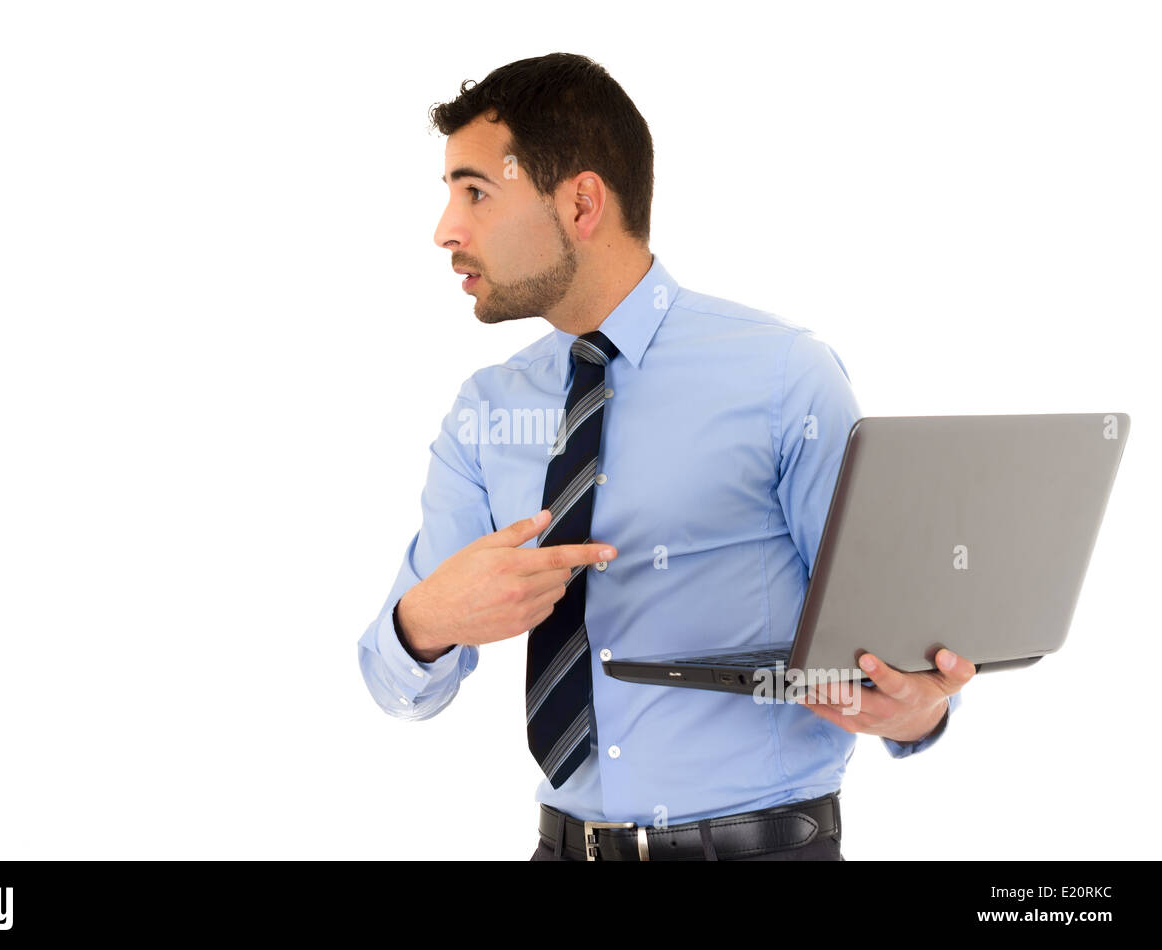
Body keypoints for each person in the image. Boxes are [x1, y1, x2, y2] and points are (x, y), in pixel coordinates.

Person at [356, 53, 974, 861]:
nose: (446, 229)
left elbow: (891, 644)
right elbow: (396, 683)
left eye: (474, 191)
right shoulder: (487, 410)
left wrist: (916, 710)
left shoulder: (783, 376)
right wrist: (428, 622)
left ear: (582, 202)